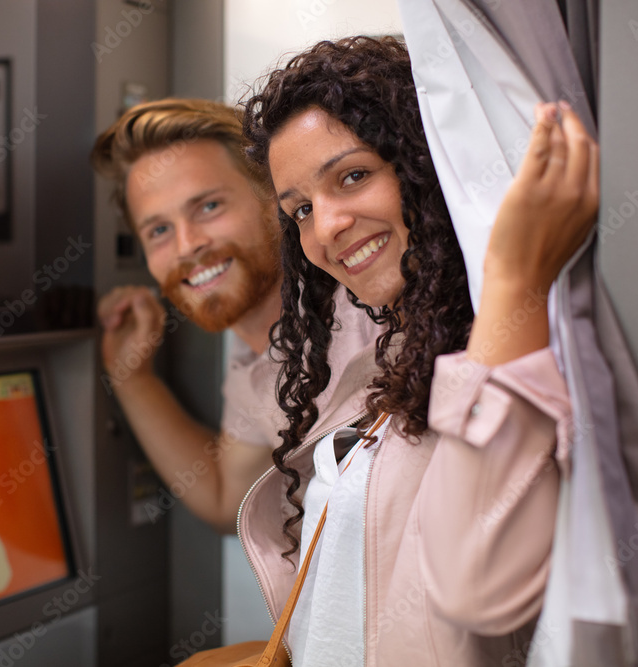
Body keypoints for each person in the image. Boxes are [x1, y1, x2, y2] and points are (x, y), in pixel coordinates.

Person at [239, 36, 597, 664]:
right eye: (300, 210)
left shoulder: (518, 353)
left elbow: (480, 590)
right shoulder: (393, 360)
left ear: (426, 166)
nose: (325, 228)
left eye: (353, 176)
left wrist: (517, 278)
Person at [91, 99, 380, 532]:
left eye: (208, 207)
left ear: (273, 201)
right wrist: (132, 376)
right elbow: (229, 500)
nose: (187, 245)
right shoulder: (260, 357)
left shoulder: (365, 313)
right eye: (159, 230)